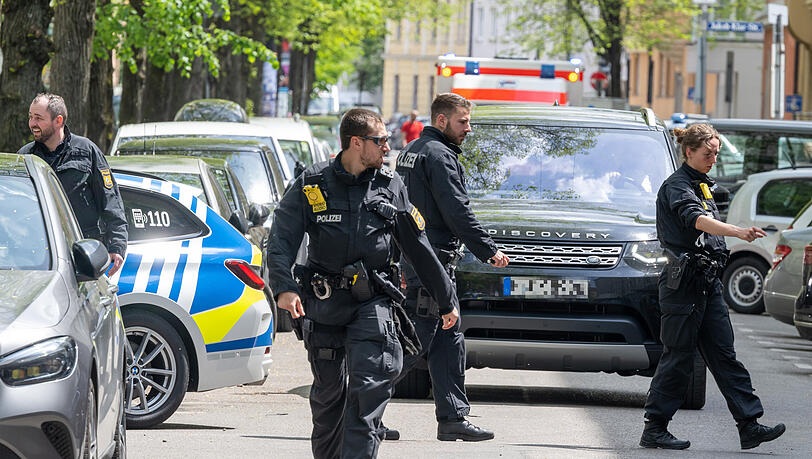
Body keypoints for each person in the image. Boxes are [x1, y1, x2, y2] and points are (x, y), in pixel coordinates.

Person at [266, 108, 460, 459]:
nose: (388, 147)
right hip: (324, 304)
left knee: (368, 391)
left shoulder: (390, 186)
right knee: (328, 401)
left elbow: (418, 247)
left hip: (373, 303)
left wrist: (446, 300)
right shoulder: (313, 184)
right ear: (356, 143)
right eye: (380, 140)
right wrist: (285, 287)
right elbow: (281, 238)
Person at [640, 123, 785, 450]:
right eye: (708, 153)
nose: (713, 159)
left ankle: (749, 426)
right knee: (678, 358)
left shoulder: (702, 184)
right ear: (689, 152)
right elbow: (696, 220)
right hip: (683, 286)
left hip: (707, 284)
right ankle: (654, 428)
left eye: (716, 153)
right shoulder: (677, 186)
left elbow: (707, 229)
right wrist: (737, 231)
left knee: (724, 355)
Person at [391, 93, 509, 442]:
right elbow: (456, 211)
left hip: (419, 257)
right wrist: (488, 251)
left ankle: (453, 418)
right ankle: (359, 408)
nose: (468, 128)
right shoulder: (439, 155)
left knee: (447, 340)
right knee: (414, 340)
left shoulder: (412, 149)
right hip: (431, 262)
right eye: (462, 121)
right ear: (441, 120)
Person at [19, 93, 128, 275]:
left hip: (84, 255)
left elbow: (111, 201)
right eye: (30, 117)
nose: (32, 124)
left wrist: (117, 246)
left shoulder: (87, 151)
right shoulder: (26, 157)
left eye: (38, 118)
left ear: (58, 120)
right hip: (39, 258)